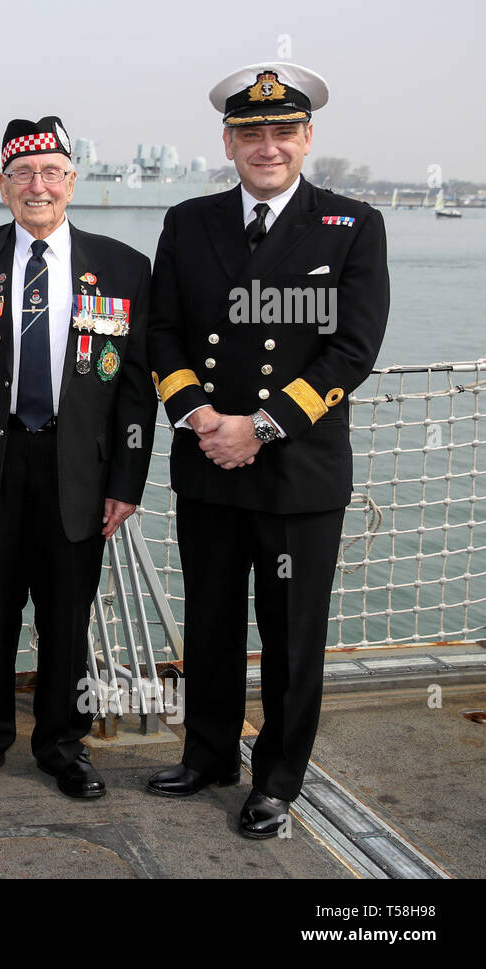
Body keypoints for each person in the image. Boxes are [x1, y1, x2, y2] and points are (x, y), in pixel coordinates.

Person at [145, 63, 389, 838]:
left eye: (284, 131)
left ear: (308, 139)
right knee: (211, 623)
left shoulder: (350, 226)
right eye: (251, 133)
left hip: (296, 470)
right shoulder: (188, 221)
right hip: (209, 461)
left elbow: (351, 350)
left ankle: (278, 777)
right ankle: (208, 754)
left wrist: (262, 425)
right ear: (227, 141)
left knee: (290, 636)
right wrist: (199, 413)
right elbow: (162, 332)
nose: (268, 146)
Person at [0, 117, 154, 798]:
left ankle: (62, 744)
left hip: (77, 470)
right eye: (23, 173)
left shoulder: (121, 267)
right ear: (2, 185)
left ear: (73, 182)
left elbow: (135, 386)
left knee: (66, 615)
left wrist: (127, 480)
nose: (38, 185)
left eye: (52, 171)